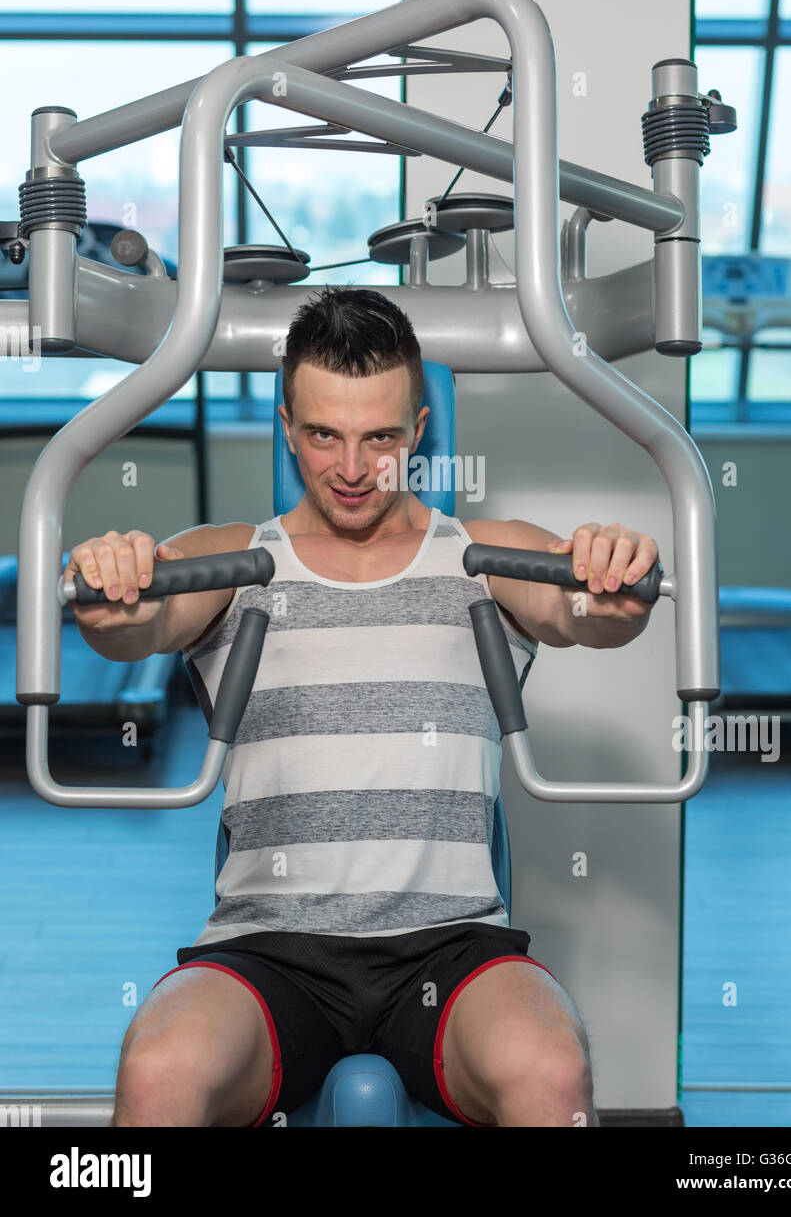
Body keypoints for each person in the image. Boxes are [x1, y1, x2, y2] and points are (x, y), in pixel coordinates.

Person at [68, 287, 659, 1129]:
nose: (351, 469)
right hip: (268, 952)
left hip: (451, 950)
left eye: (380, 438)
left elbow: (588, 613)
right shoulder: (232, 560)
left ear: (418, 430)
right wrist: (113, 592)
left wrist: (615, 577)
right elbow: (136, 625)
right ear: (286, 426)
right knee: (160, 1069)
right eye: (323, 436)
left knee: (550, 1071)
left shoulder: (485, 559)